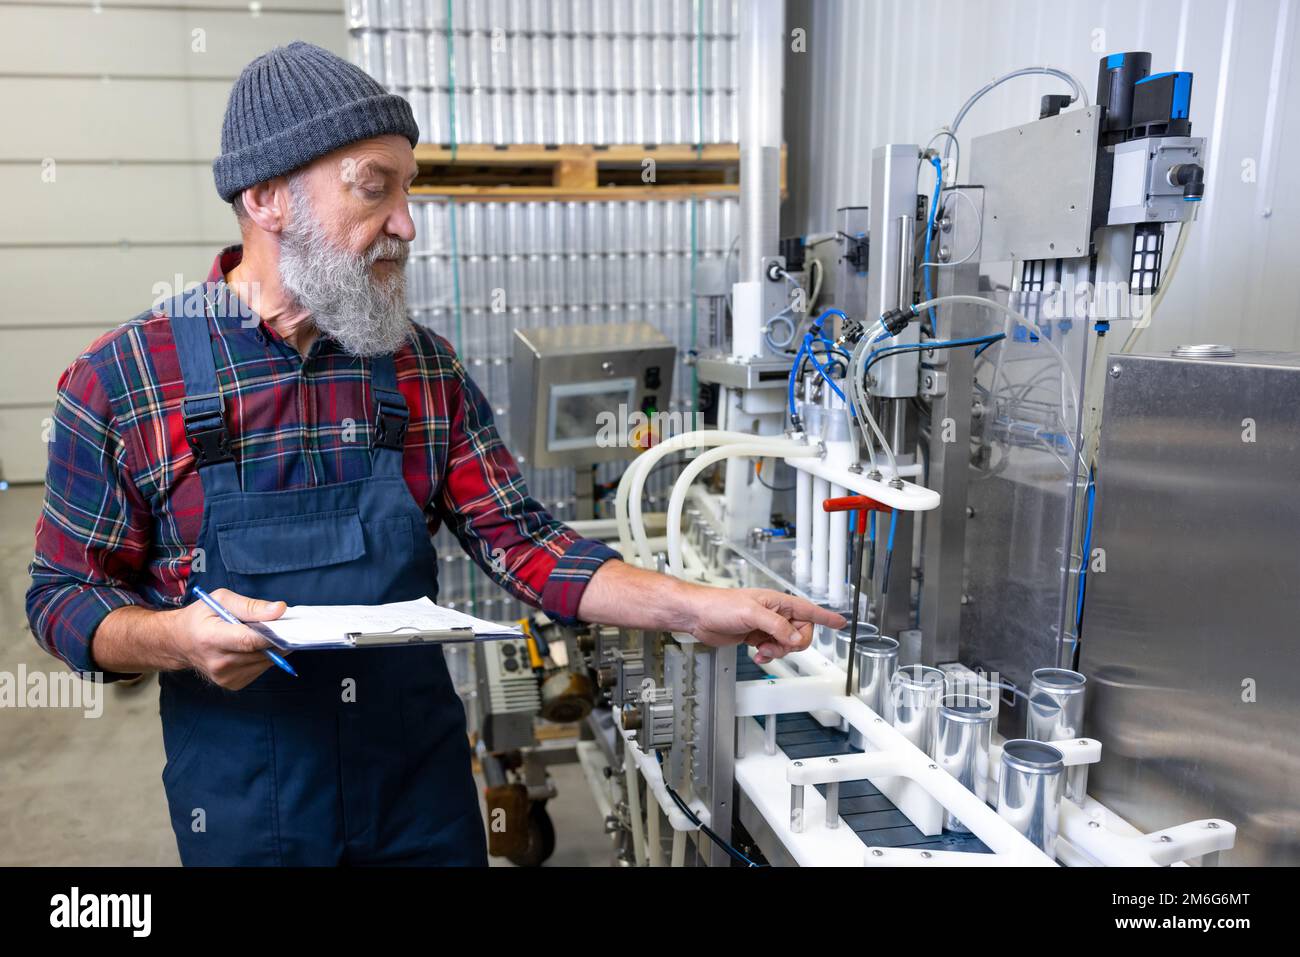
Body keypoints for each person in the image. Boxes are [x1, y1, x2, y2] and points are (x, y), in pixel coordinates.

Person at [26, 42, 843, 866]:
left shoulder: (418, 368)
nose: (406, 223)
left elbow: (525, 541)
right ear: (266, 196)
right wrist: (175, 638)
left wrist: (696, 607)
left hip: (418, 799)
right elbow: (63, 596)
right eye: (373, 187)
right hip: (248, 813)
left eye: (407, 188)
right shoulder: (126, 380)